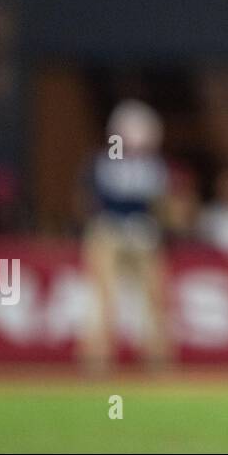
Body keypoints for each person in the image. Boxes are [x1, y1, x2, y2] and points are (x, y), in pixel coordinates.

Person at [78, 100, 173, 373]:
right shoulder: (102, 162)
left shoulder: (154, 166)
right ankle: (97, 358)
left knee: (154, 297)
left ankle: (157, 358)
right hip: (109, 230)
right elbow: (88, 201)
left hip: (143, 233)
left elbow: (161, 205)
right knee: (102, 297)